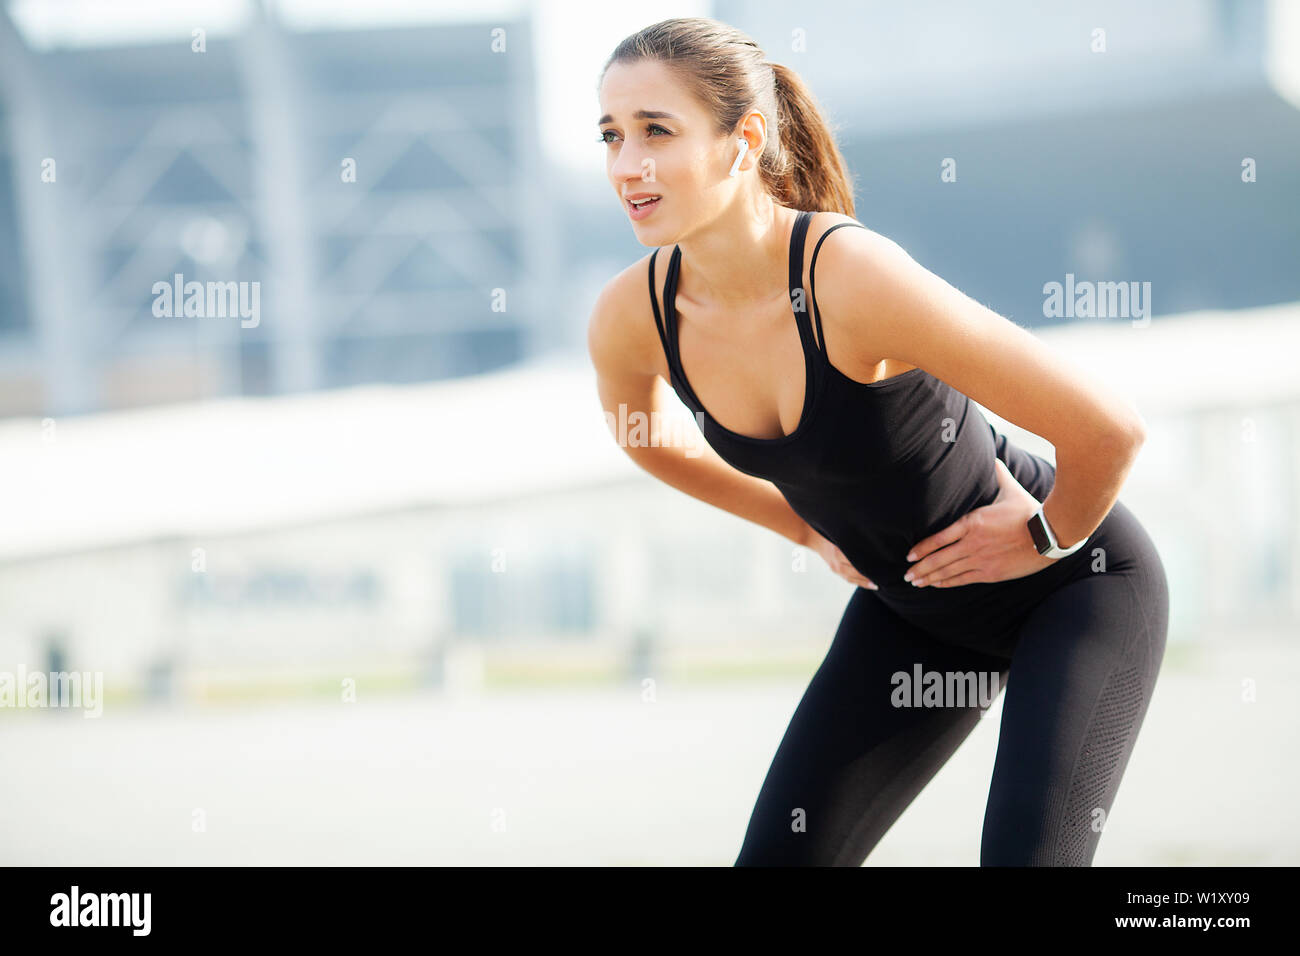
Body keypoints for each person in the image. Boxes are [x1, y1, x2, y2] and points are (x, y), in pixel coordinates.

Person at [586, 17, 1169, 866]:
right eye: (610, 136)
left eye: (655, 132)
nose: (626, 165)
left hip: (1077, 588)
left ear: (743, 141)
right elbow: (644, 440)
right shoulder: (633, 317)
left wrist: (1045, 532)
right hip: (914, 612)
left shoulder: (848, 279)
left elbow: (1109, 429)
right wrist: (801, 527)